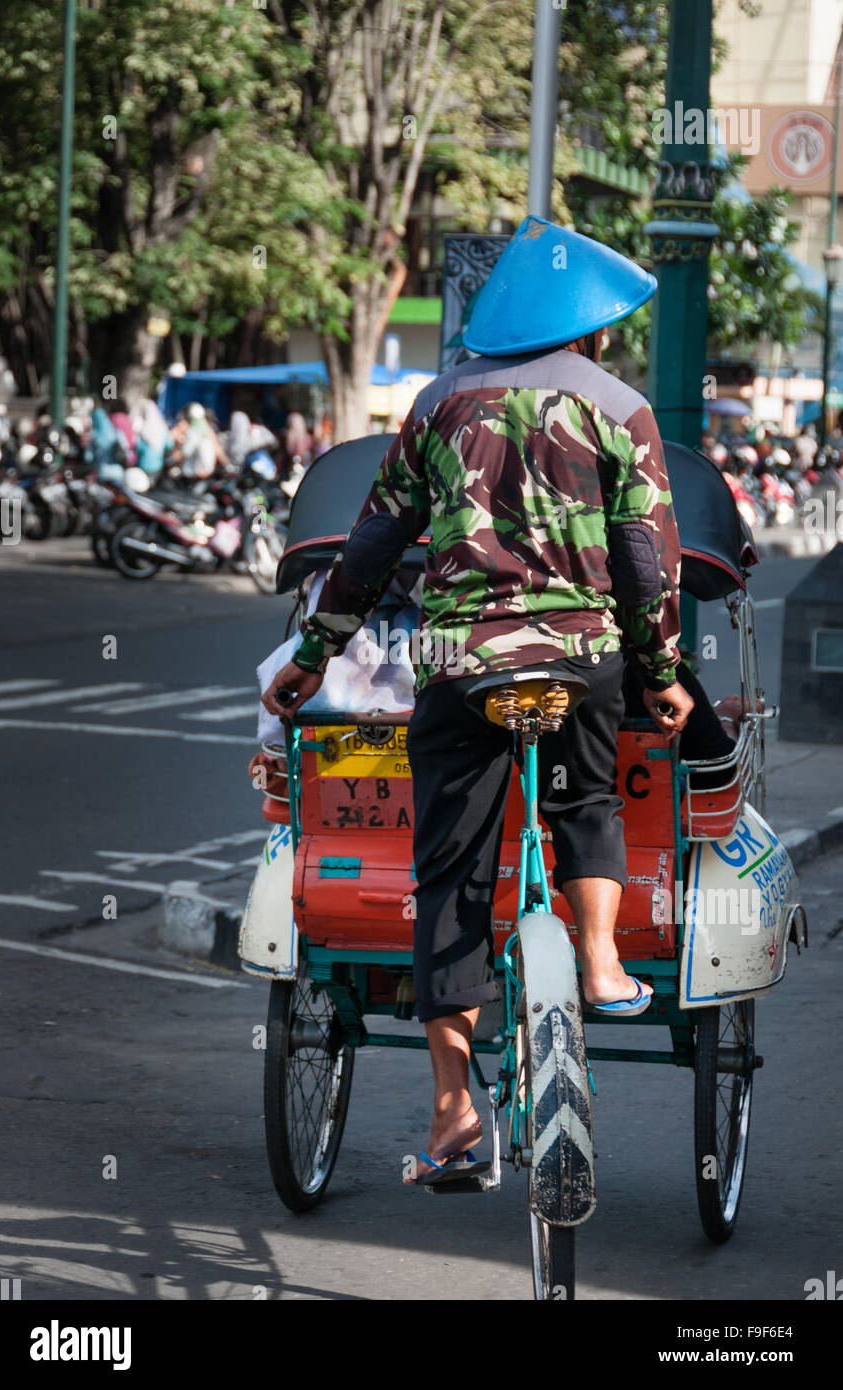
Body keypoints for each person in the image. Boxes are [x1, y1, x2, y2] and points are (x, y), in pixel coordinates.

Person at [262, 216, 694, 1183]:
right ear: (586, 328)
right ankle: (596, 964)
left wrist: (313, 653)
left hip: (458, 665)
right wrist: (658, 673)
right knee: (584, 800)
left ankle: (453, 1106)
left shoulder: (437, 401)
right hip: (583, 663)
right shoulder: (619, 407)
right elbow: (645, 560)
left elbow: (372, 543)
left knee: (449, 868)